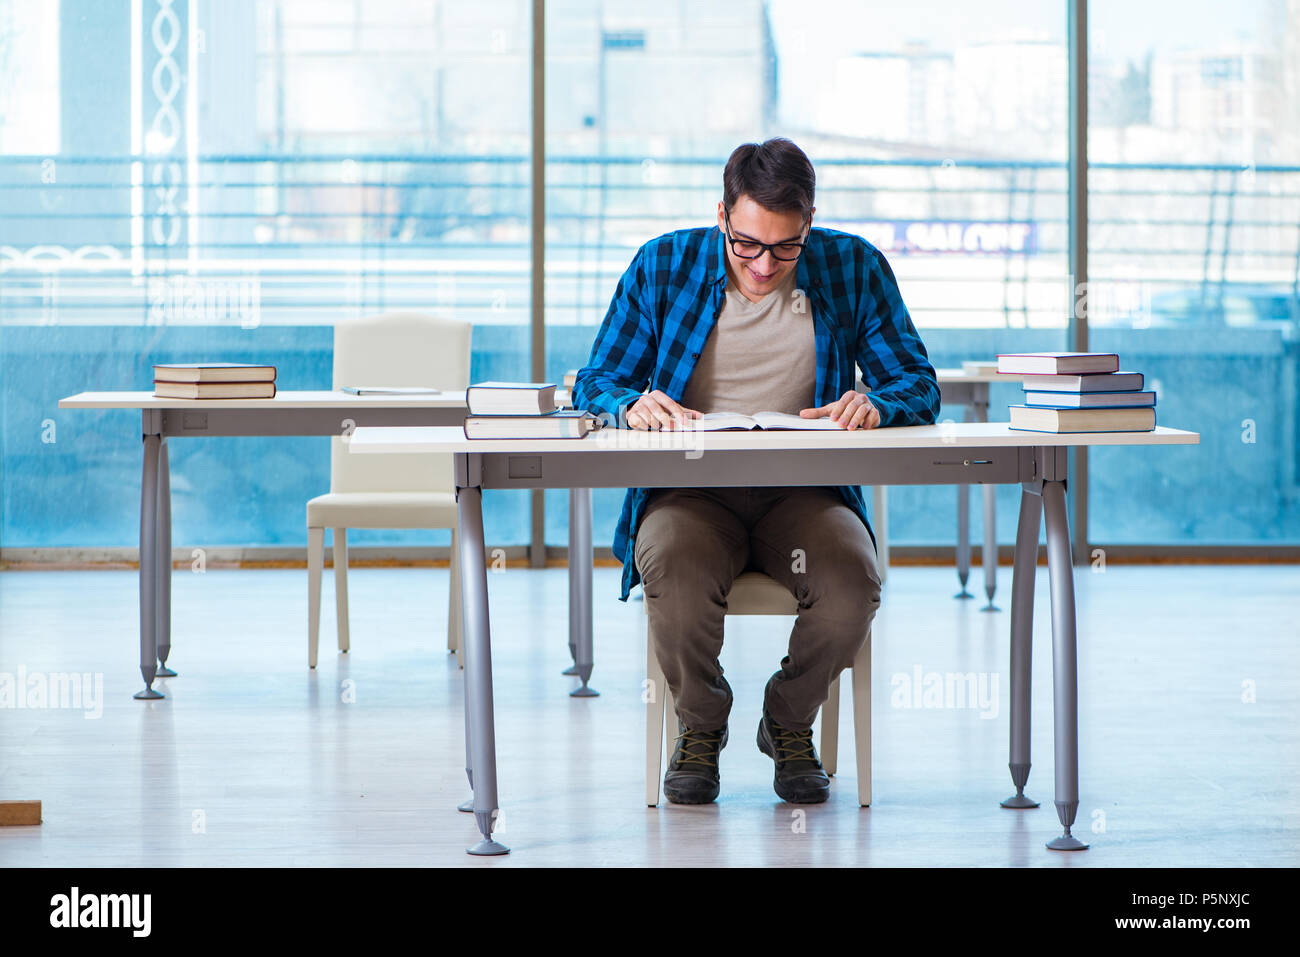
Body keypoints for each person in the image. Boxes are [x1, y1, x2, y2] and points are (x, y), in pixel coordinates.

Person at [572, 137, 941, 805]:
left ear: (809, 223)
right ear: (721, 215)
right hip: (690, 492)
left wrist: (877, 402)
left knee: (851, 581)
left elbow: (917, 380)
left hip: (804, 493)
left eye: (785, 247)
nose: (765, 265)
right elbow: (596, 380)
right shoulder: (664, 265)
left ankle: (788, 720)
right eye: (747, 244)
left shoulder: (852, 267)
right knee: (675, 572)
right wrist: (629, 402)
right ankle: (702, 727)